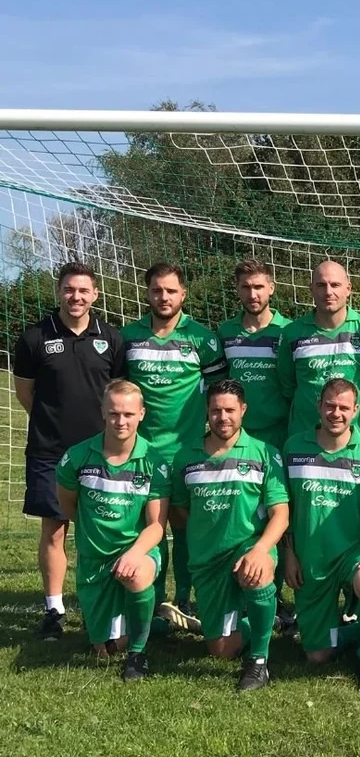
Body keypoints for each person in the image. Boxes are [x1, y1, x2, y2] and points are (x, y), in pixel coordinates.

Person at [13, 262, 125, 639]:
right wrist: (53, 423)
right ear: (59, 291)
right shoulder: (33, 338)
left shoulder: (111, 338)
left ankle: (108, 604)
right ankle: (54, 610)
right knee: (55, 529)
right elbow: (25, 393)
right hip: (50, 451)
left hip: (102, 452)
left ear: (95, 294)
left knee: (105, 529)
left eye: (83, 291)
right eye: (69, 289)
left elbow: (118, 394)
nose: (75, 297)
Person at [121, 263, 227, 630]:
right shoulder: (128, 338)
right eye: (156, 290)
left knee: (185, 528)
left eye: (170, 291)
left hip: (186, 453)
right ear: (147, 293)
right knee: (145, 528)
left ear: (183, 294)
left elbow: (218, 395)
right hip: (141, 453)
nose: (163, 297)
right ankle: (147, 596)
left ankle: (184, 598)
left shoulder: (203, 339)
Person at [170, 379, 289, 691]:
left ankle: (259, 661)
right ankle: (261, 621)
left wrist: (261, 549)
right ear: (206, 413)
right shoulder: (185, 457)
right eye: (216, 410)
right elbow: (180, 512)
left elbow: (280, 513)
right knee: (221, 651)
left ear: (244, 410)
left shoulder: (264, 453)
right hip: (208, 559)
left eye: (230, 410)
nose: (223, 417)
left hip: (249, 546)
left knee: (258, 572)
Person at [283, 378, 360, 694]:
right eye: (330, 405)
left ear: (356, 410)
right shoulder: (294, 448)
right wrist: (289, 553)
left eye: (344, 407)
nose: (336, 413)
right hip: (309, 559)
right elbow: (282, 508)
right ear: (319, 406)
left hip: (350, 553)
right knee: (318, 655)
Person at [54, 380, 167, 678]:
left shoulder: (155, 462)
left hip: (136, 551)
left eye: (128, 414)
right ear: (103, 412)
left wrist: (134, 553)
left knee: (137, 573)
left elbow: (156, 525)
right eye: (114, 413)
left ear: (141, 414)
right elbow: (68, 507)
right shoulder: (76, 458)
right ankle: (157, 621)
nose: (121, 421)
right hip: (95, 562)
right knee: (105, 647)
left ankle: (138, 655)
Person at [217, 259, 294, 629]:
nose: (253, 294)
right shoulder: (225, 333)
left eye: (259, 286)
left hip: (278, 438)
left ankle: (273, 597)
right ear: (237, 290)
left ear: (272, 288)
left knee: (278, 518)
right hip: (239, 441)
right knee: (242, 518)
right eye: (246, 287)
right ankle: (237, 590)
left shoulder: (288, 332)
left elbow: (293, 385)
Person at [277, 260, 360, 441]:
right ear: (311, 289)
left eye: (335, 285)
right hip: (304, 440)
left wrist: (350, 412)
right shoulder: (292, 334)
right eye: (321, 285)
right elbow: (288, 388)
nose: (328, 292)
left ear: (348, 289)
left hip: (357, 441)